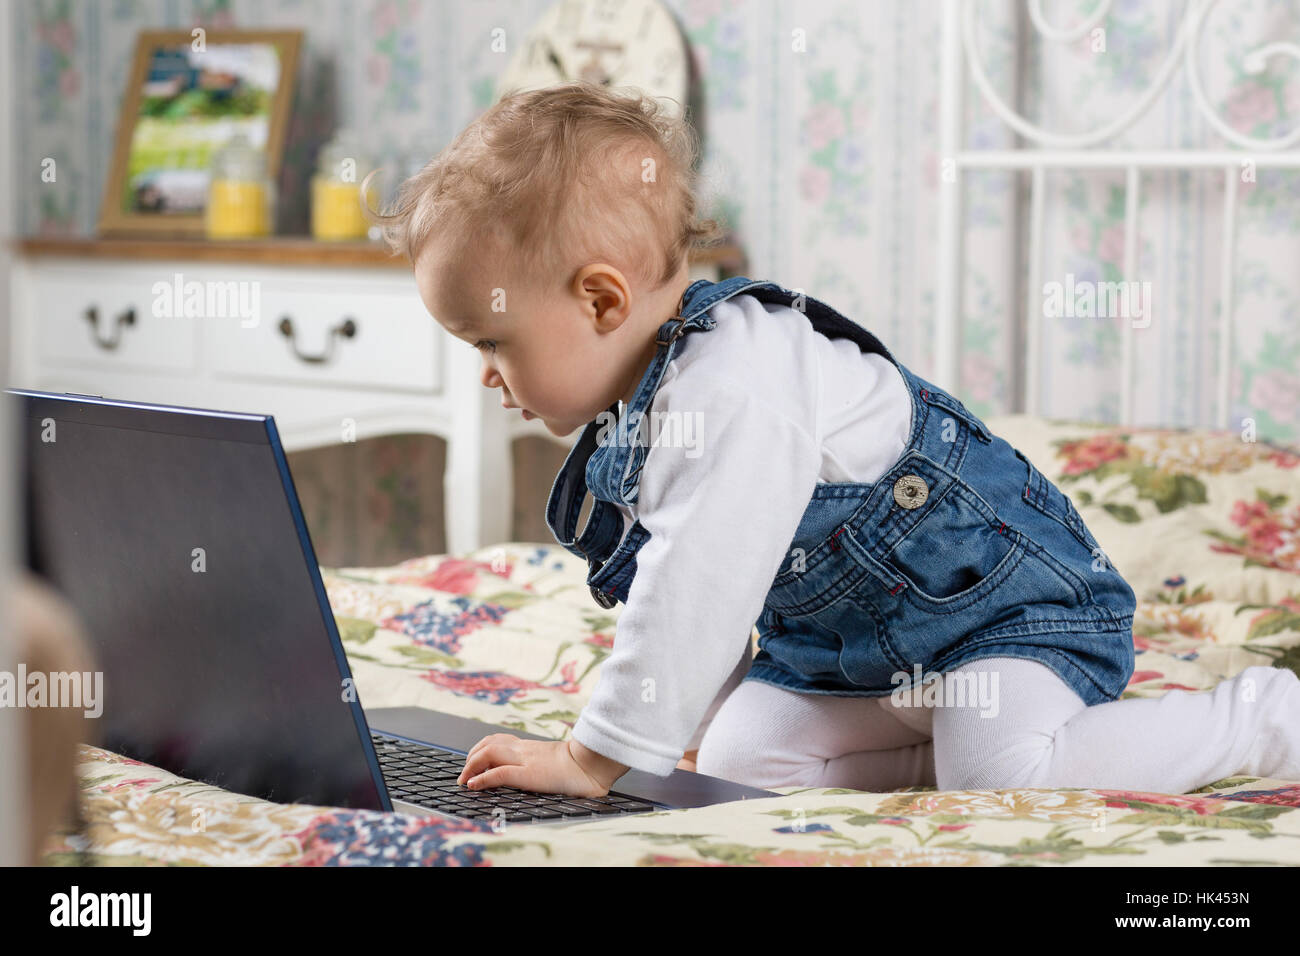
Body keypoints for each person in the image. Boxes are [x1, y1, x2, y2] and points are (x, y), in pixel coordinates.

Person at [369, 82, 1300, 798]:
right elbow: (709, 590)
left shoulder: (734, 385)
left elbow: (695, 580)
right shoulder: (652, 404)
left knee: (1000, 774)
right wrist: (685, 713)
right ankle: (930, 758)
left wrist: (592, 757)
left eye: (492, 340)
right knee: (739, 754)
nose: (486, 373)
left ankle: (1260, 720)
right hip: (858, 655)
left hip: (1005, 623)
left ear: (602, 299)